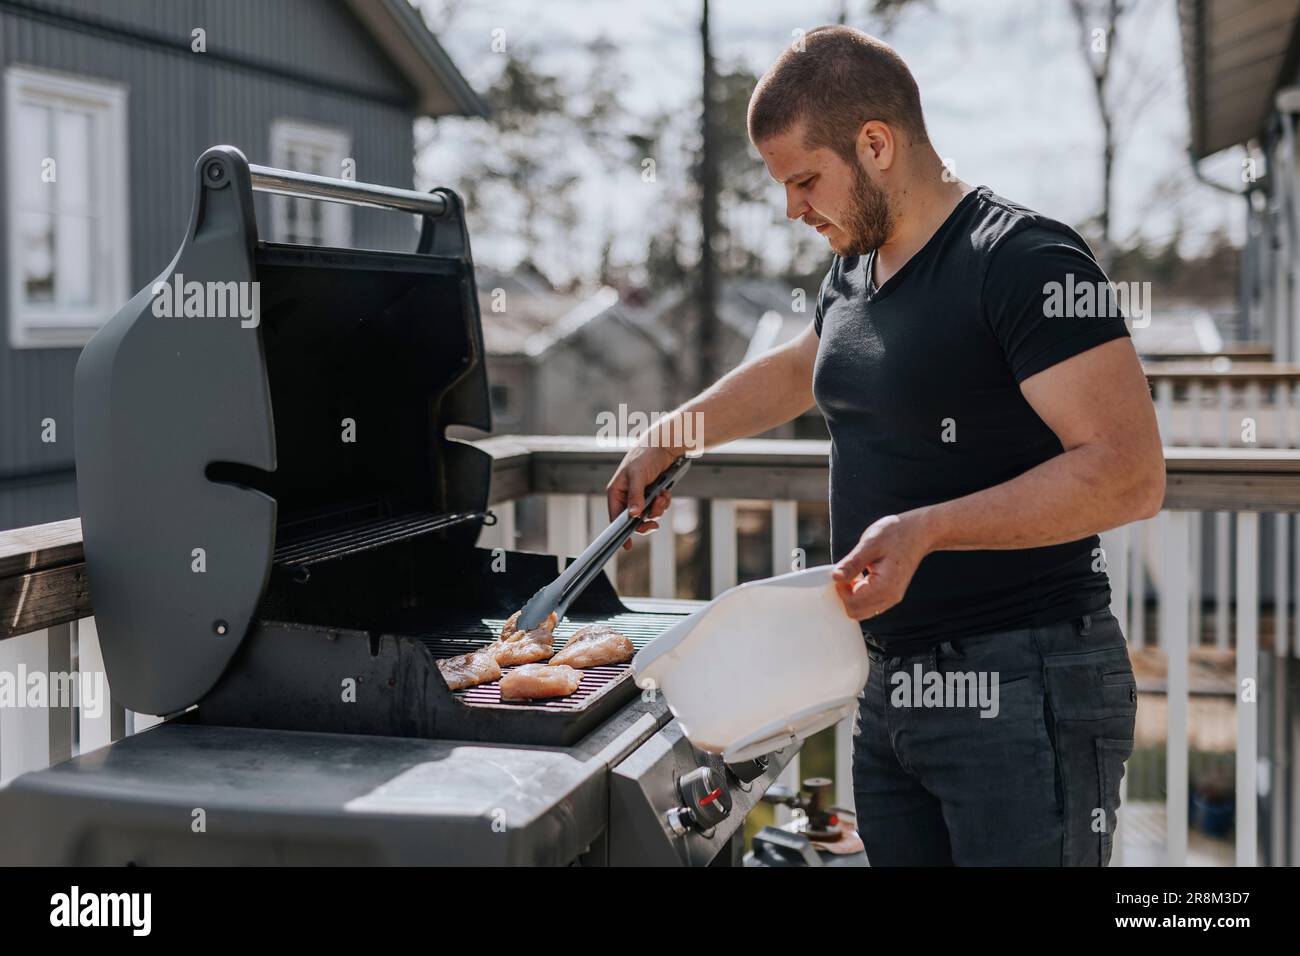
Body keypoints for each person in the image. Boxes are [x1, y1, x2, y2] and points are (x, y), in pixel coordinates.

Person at [606, 25, 1163, 865]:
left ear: (875, 144)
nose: (792, 207)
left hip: (1025, 687)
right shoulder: (857, 269)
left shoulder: (1025, 261)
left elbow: (1127, 475)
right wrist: (669, 436)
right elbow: (803, 368)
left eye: (804, 179)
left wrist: (928, 529)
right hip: (889, 685)